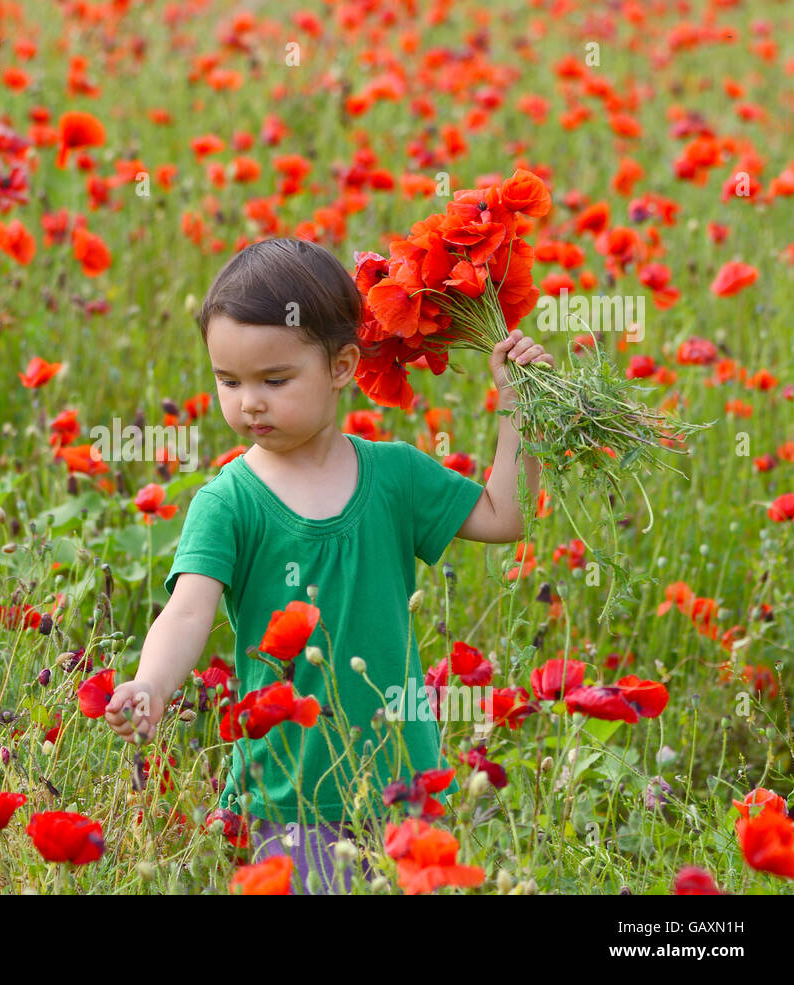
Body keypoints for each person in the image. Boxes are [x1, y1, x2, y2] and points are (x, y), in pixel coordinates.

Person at [103, 238, 554, 893]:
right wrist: (150, 684)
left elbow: (504, 516)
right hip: (289, 794)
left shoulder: (395, 474)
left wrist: (520, 408)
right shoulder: (228, 502)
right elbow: (187, 609)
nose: (248, 402)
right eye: (228, 381)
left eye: (273, 380)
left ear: (342, 366)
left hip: (404, 780)